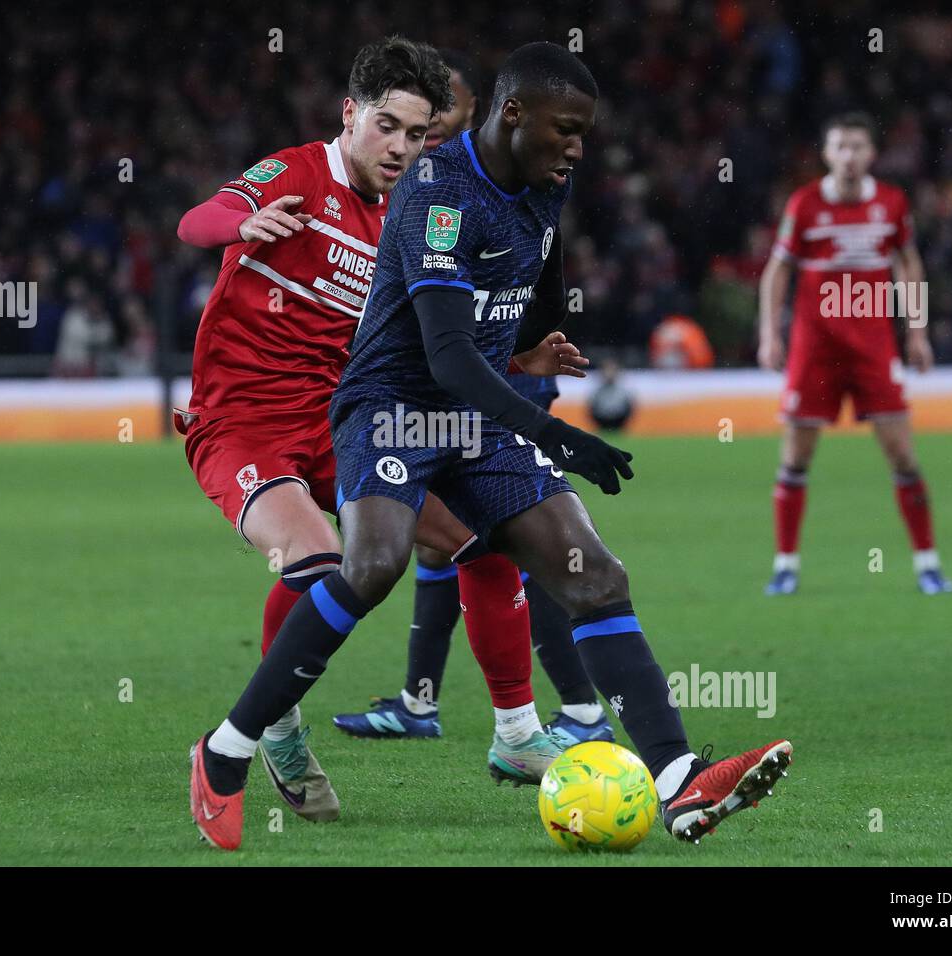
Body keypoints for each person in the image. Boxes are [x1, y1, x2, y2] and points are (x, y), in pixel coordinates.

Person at [194, 41, 793, 851]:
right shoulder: (437, 197)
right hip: (389, 411)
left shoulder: (544, 185)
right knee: (369, 565)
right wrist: (551, 429)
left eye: (583, 135)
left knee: (593, 573)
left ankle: (677, 778)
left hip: (471, 417)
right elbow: (439, 353)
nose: (578, 150)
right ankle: (227, 752)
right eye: (567, 132)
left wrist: (526, 364)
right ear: (514, 116)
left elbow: (497, 311)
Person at [179, 37, 580, 848]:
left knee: (485, 537)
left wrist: (520, 359)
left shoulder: (420, 204)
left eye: (418, 134)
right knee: (320, 559)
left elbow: (424, 332)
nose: (400, 148)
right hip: (244, 419)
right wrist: (241, 221)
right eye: (387, 126)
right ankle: (276, 725)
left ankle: (515, 731)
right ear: (350, 115)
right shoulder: (296, 174)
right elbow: (197, 219)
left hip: (353, 413)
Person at [333, 49, 614, 748]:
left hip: (493, 389)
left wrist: (522, 360)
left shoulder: (499, 184)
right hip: (453, 388)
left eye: (435, 122)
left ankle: (575, 707)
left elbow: (529, 291)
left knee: (519, 549)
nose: (420, 141)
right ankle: (422, 702)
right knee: (451, 551)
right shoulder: (444, 190)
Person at [758, 112, 952, 596]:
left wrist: (918, 332)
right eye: (840, 147)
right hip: (815, 349)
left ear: (872, 154)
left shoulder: (890, 203)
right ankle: (786, 565)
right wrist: (769, 333)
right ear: (827, 153)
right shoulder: (804, 204)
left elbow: (909, 264)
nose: (849, 156)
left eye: (858, 147)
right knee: (796, 458)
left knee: (903, 455)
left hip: (873, 346)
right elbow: (777, 270)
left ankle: (928, 564)